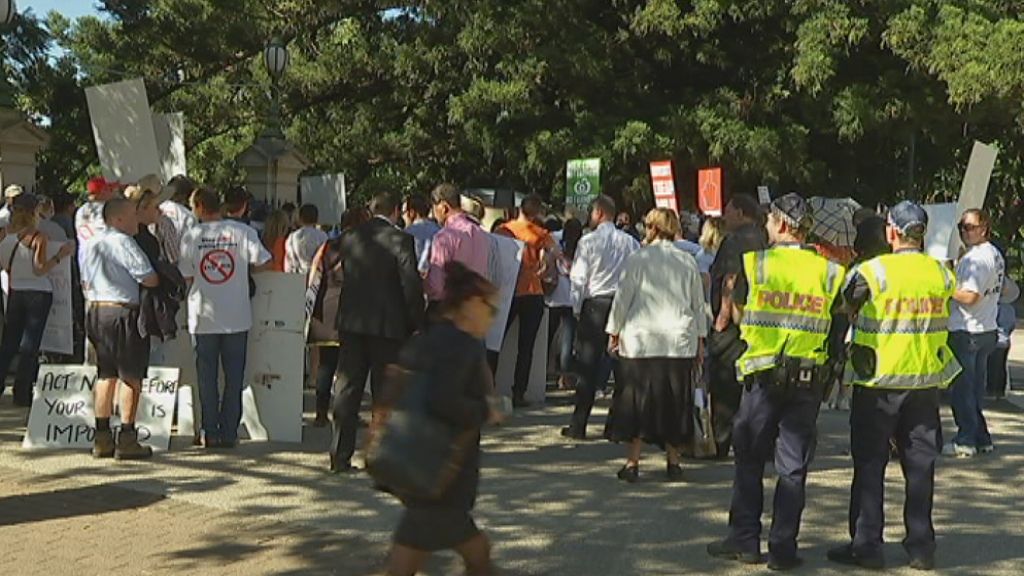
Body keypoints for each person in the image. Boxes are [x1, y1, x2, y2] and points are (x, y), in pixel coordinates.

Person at [707, 193, 844, 571]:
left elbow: (736, 312)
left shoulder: (756, 264)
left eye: (769, 222)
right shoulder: (830, 271)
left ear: (782, 224)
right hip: (807, 379)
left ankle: (745, 540)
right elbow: (836, 326)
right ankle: (783, 550)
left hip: (763, 378)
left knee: (749, 459)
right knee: (793, 468)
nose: (766, 227)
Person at [827, 201, 959, 571]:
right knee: (920, 467)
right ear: (922, 233)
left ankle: (867, 546)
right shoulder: (940, 273)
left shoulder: (872, 272)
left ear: (891, 232)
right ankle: (921, 547)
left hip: (878, 383)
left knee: (870, 465)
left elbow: (844, 306)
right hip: (923, 384)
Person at [385, 262, 502, 576]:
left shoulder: (429, 337)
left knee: (418, 553)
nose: (492, 318)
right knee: (476, 555)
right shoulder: (463, 347)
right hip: (442, 470)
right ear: (471, 304)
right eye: (490, 309)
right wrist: (484, 412)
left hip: (415, 461)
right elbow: (444, 400)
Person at [604, 208, 707, 482]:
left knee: (637, 402)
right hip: (678, 341)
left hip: (641, 340)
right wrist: (700, 339)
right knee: (674, 401)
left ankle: (633, 462)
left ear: (652, 228)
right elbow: (698, 304)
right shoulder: (687, 261)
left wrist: (613, 331)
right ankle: (673, 461)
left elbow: (623, 299)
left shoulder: (638, 259)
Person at [329, 193, 425, 473]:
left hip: (353, 322)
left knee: (348, 387)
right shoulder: (400, 239)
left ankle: (339, 454)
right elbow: (410, 284)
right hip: (388, 324)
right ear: (395, 211)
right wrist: (416, 322)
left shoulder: (350, 237)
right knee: (385, 393)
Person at [179, 188, 273, 448]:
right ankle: (229, 432)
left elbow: (186, 275)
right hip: (237, 315)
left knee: (206, 377)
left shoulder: (191, 236)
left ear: (198, 206)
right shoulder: (243, 232)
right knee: (234, 378)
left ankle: (210, 431)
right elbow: (265, 261)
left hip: (203, 316)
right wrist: (243, 270)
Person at [82, 198, 160, 460]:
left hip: (95, 309)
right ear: (117, 219)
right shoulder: (123, 241)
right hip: (122, 310)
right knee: (131, 374)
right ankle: (127, 437)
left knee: (105, 373)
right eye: (130, 215)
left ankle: (101, 436)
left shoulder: (90, 242)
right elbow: (147, 275)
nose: (135, 219)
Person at [562, 195, 640, 440]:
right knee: (621, 367)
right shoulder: (630, 243)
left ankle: (579, 423)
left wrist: (576, 308)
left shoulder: (588, 242)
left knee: (587, 365)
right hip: (622, 303)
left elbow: (579, 279)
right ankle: (617, 425)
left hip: (595, 305)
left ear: (599, 214)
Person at [706, 195, 769, 457]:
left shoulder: (735, 240)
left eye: (729, 211)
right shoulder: (764, 239)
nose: (724, 216)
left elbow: (730, 277)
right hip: (758, 318)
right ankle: (758, 442)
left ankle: (721, 441)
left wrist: (722, 313)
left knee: (723, 381)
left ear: (742, 213)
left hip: (733, 320)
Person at [0, 194, 74, 405]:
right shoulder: (37, 237)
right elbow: (39, 269)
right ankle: (22, 391)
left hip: (16, 290)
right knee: (30, 345)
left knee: (9, 342)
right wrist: (59, 255)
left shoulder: (4, 235)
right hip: (38, 292)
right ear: (34, 212)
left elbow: (5, 265)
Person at [945, 208, 1004, 457]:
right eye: (962, 227)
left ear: (984, 227)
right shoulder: (993, 254)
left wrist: (945, 285)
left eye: (970, 227)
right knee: (974, 389)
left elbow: (969, 296)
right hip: (986, 328)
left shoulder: (975, 260)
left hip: (966, 329)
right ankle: (981, 436)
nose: (964, 232)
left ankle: (966, 438)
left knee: (962, 389)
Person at [495, 194, 558, 408]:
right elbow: (555, 252)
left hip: (508, 290)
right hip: (533, 291)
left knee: (497, 341)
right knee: (526, 346)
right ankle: (518, 392)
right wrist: (545, 264)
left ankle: (488, 388)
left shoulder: (504, 230)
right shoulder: (540, 233)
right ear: (537, 211)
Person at [425, 183, 490, 304]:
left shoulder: (444, 237)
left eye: (434, 208)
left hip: (449, 308)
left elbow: (436, 286)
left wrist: (423, 283)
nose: (434, 214)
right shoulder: (480, 233)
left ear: (444, 207)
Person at [546, 217, 583, 390]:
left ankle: (554, 373)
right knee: (564, 341)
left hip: (558, 297)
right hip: (566, 298)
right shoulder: (578, 244)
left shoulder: (556, 239)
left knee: (553, 340)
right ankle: (563, 375)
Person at [988, 277, 1018, 398]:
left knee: (993, 367)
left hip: (996, 340)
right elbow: (1012, 324)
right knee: (1001, 366)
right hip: (1005, 339)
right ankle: (999, 390)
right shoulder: (1009, 309)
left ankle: (992, 390)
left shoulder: (995, 308)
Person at [284, 204, 329, 276]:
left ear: (300, 218)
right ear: (316, 219)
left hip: (297, 276)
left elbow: (289, 260)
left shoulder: (292, 237)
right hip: (317, 276)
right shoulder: (322, 236)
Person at [402, 194, 441, 274]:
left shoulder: (406, 233)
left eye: (405, 212)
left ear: (412, 212)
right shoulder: (439, 230)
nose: (403, 216)